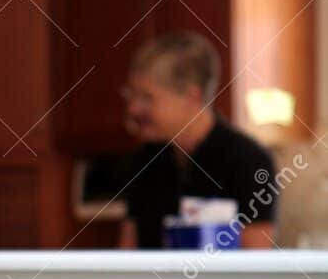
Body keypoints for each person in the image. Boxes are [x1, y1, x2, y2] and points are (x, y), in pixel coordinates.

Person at [119, 31, 277, 249]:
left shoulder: (249, 161)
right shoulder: (144, 159)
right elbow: (128, 259)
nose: (134, 108)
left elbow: (256, 265)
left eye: (147, 97)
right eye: (132, 96)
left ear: (191, 97)